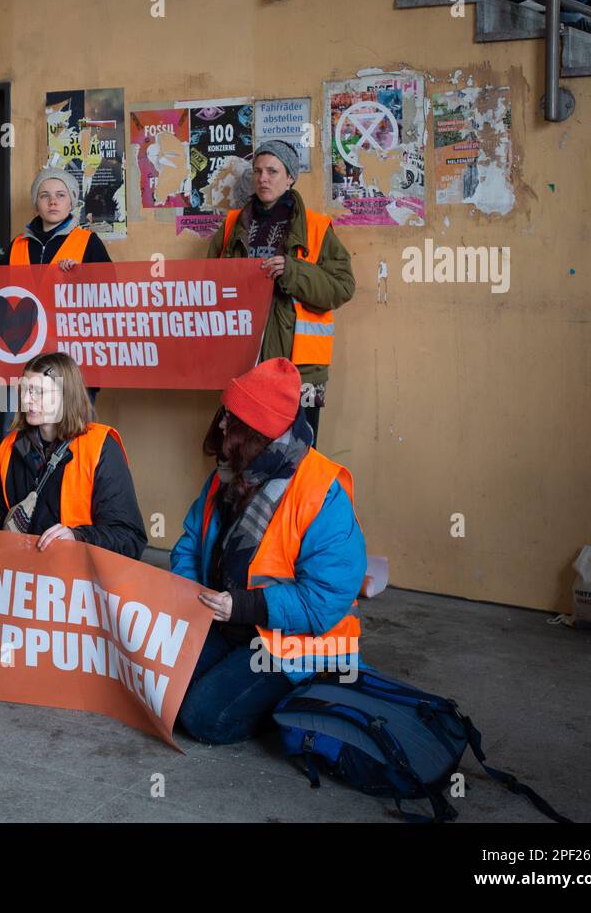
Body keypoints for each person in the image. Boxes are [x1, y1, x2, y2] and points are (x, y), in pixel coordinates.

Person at [171, 358, 366, 745]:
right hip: (228, 621)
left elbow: (327, 599)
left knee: (201, 718)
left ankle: (308, 691)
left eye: (231, 418)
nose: (221, 424)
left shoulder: (321, 491)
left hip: (297, 640)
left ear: (256, 431)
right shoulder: (226, 476)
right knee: (165, 692)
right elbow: (190, 544)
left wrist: (241, 606)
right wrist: (189, 594)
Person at [208, 139, 356, 446]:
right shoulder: (232, 225)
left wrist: (292, 271)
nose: (263, 178)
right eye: (258, 171)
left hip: (300, 370)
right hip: (244, 364)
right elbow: (207, 285)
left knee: (298, 460)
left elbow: (342, 287)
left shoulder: (316, 227)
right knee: (243, 458)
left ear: (289, 177)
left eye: (272, 171)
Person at [0, 166, 111, 430]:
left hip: (74, 365)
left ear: (72, 201)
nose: (53, 201)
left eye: (61, 195)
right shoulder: (17, 245)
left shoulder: (88, 242)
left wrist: (83, 275)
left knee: (74, 435)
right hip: (22, 364)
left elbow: (113, 291)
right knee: (17, 435)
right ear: (35, 202)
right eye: (45, 195)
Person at [0, 352, 146, 559]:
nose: (26, 400)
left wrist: (78, 538)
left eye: (38, 392)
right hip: (22, 575)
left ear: (65, 396)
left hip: (76, 582)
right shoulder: (8, 448)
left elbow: (130, 537)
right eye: (24, 390)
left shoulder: (101, 448)